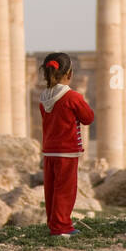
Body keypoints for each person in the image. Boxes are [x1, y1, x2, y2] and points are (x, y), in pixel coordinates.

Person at [37, 52, 94, 237]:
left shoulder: (43, 97)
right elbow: (88, 118)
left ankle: (53, 223)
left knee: (51, 189)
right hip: (67, 151)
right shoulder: (72, 97)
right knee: (65, 190)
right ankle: (62, 227)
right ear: (69, 73)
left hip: (49, 151)